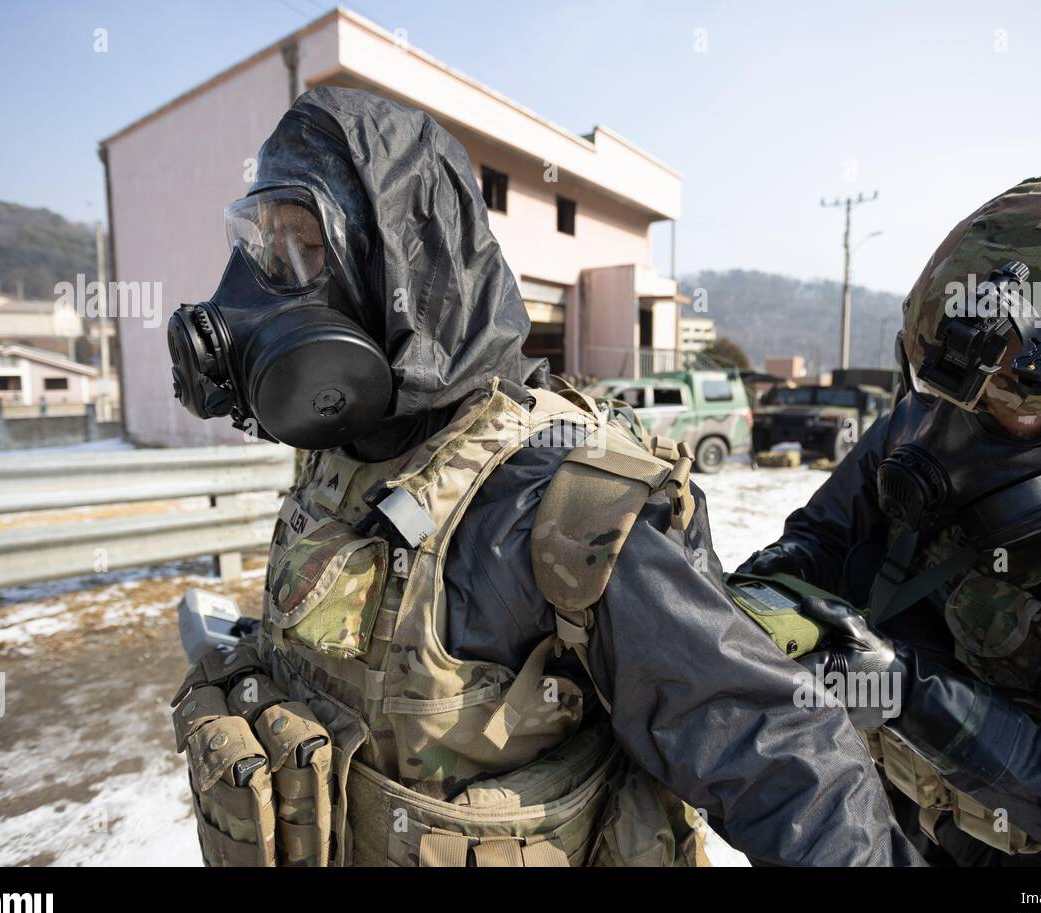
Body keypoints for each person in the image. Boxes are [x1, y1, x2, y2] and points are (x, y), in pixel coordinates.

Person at [164, 87, 919, 867]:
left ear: (398, 261)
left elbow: (778, 750)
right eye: (268, 247)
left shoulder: (558, 493)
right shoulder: (338, 460)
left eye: (306, 248)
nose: (270, 283)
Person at [741, 174, 1041, 866]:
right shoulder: (919, 423)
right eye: (933, 388)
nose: (944, 436)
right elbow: (827, 539)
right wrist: (777, 584)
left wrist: (911, 694)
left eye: (1012, 408)